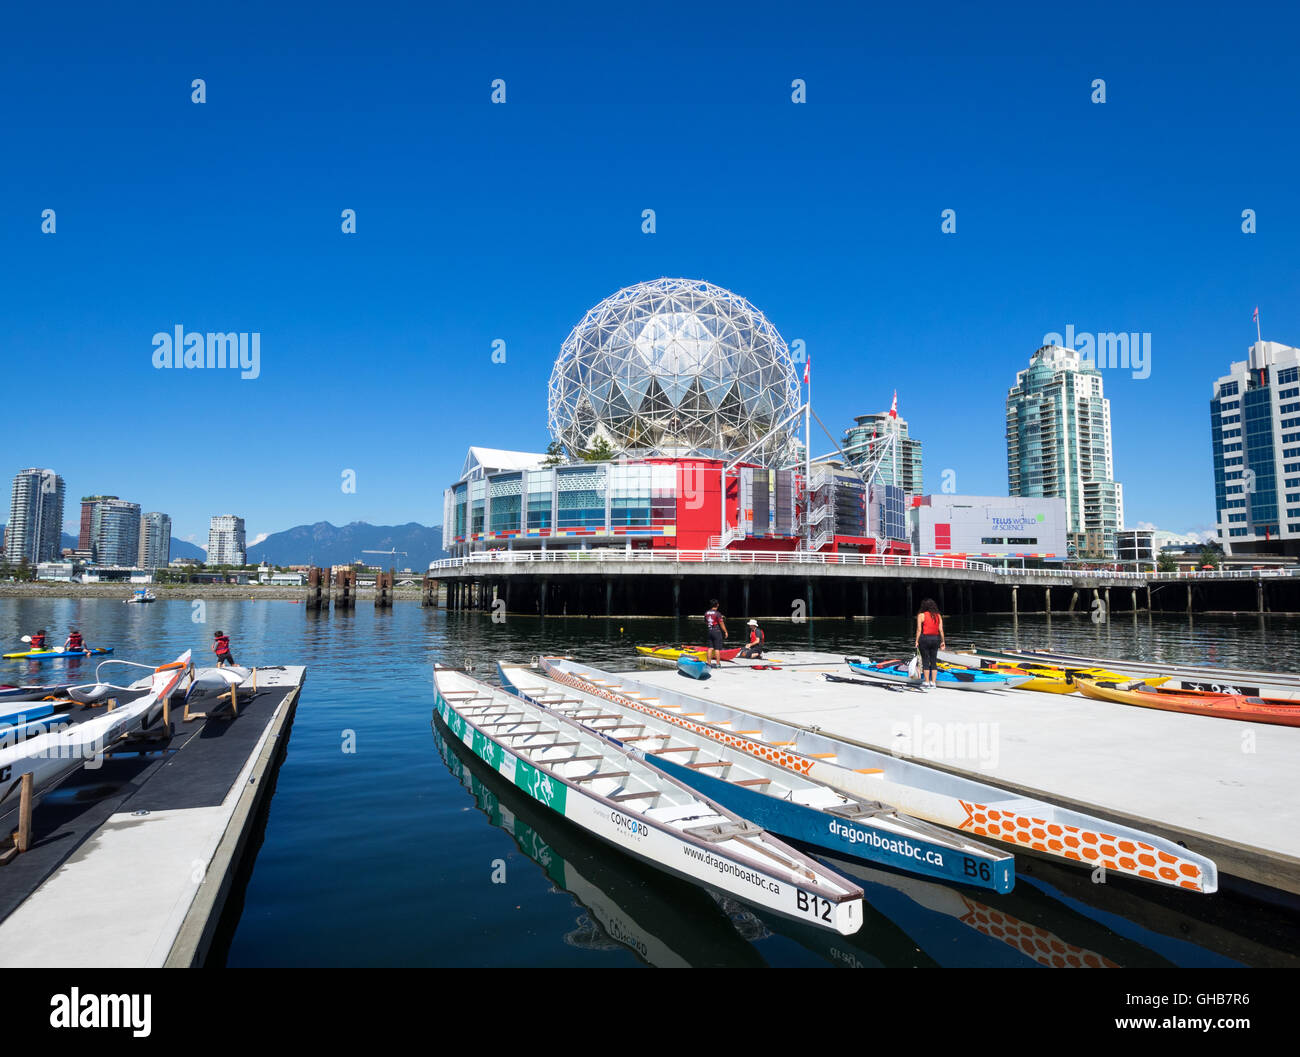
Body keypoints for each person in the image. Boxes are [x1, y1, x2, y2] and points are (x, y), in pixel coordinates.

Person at [914, 598, 945, 689]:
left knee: (925, 660)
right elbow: (941, 630)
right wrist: (943, 641)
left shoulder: (921, 615)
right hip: (936, 639)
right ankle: (933, 683)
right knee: (933, 660)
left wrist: (916, 641)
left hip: (925, 639)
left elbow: (919, 630)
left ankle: (927, 682)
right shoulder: (938, 616)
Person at [704, 599, 728, 669]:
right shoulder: (717, 613)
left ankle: (708, 664)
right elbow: (721, 623)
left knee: (710, 648)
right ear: (717, 605)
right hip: (716, 631)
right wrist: (725, 631)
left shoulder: (706, 613)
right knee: (717, 648)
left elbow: (706, 622)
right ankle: (718, 664)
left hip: (710, 630)